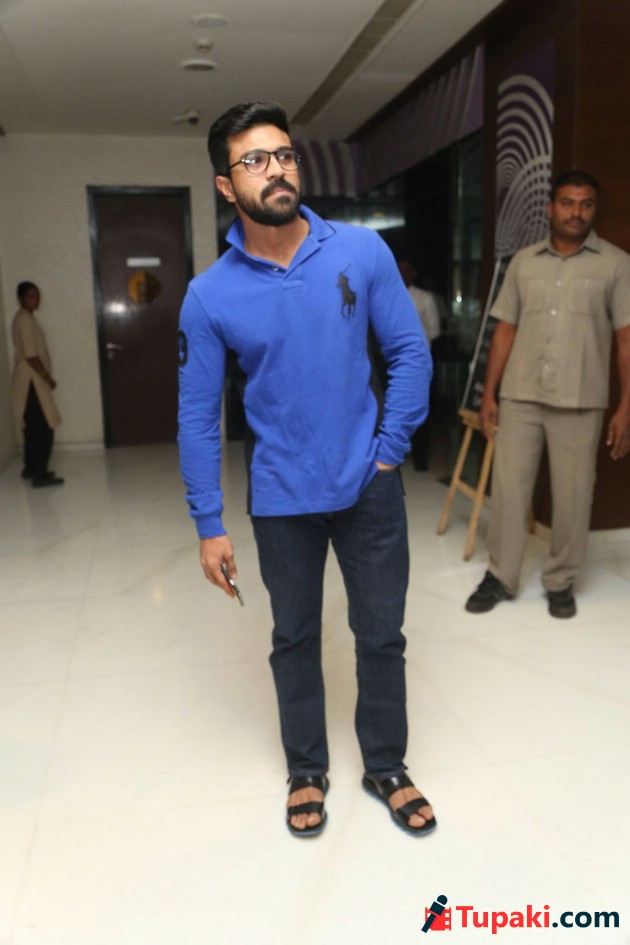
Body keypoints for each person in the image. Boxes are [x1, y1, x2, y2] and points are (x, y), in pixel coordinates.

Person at [178, 101, 436, 838]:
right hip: (281, 496)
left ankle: (386, 763)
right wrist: (208, 522)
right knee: (294, 636)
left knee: (381, 633)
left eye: (285, 154)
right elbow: (198, 416)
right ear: (226, 185)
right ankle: (306, 769)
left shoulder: (360, 251)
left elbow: (409, 353)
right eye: (254, 160)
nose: (277, 169)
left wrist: (387, 451)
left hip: (369, 486)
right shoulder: (209, 295)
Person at [466, 170, 630, 619]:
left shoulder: (616, 264)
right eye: (568, 203)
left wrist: (626, 406)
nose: (577, 212)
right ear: (550, 208)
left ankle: (561, 580)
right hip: (520, 396)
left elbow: (626, 339)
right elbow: (505, 330)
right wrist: (489, 394)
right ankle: (500, 575)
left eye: (586, 204)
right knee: (508, 490)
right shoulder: (523, 262)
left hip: (581, 399)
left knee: (575, 496)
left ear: (594, 209)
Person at [11, 282, 64, 488]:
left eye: (37, 295)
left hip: (30, 380)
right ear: (21, 299)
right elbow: (31, 355)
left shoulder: (25, 318)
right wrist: (47, 378)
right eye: (31, 296)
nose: (36, 299)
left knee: (33, 428)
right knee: (43, 429)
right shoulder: (24, 320)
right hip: (31, 381)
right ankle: (39, 474)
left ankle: (31, 468)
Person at [398, 259, 441, 470]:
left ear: (413, 274)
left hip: (419, 362)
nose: (402, 275)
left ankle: (420, 458)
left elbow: (434, 330)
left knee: (419, 409)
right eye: (398, 271)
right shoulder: (387, 295)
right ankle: (394, 456)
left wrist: (413, 344)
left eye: (406, 271)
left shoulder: (425, 298)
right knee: (393, 410)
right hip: (390, 363)